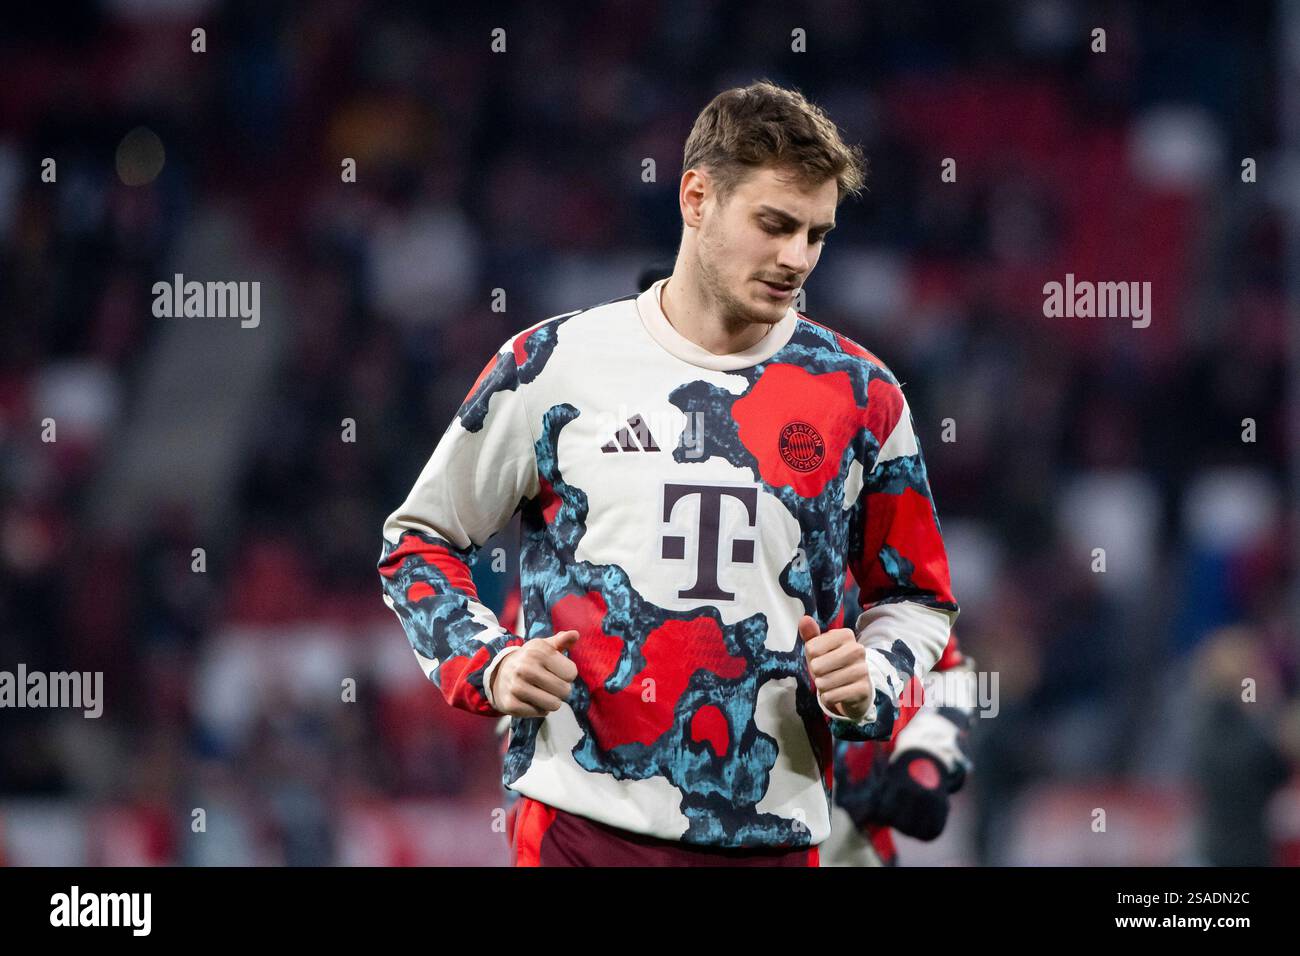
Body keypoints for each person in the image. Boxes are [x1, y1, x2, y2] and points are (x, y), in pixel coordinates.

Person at [377, 79, 959, 866]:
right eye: (775, 225)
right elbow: (419, 543)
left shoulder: (862, 396)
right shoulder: (552, 365)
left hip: (774, 836)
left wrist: (875, 684)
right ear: (696, 197)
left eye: (817, 235)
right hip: (580, 827)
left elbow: (917, 599)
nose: (797, 258)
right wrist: (488, 662)